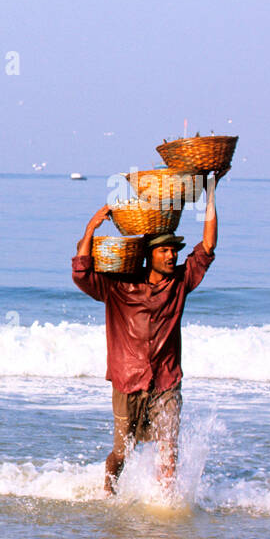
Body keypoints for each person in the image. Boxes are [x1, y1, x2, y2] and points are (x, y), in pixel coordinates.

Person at [72, 173, 221, 494]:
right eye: (165, 250)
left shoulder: (180, 282)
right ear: (149, 255)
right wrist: (90, 230)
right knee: (122, 453)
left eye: (174, 251)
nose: (172, 256)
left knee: (169, 450)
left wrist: (209, 195)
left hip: (167, 382)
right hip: (128, 381)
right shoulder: (117, 286)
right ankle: (108, 491)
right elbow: (82, 273)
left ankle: (165, 507)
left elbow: (207, 248)